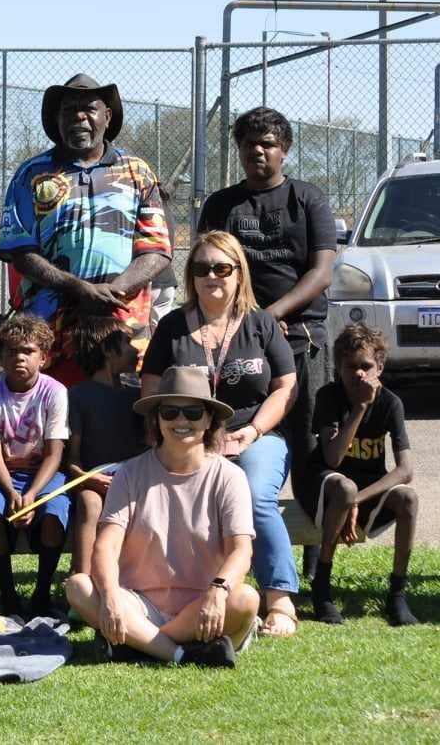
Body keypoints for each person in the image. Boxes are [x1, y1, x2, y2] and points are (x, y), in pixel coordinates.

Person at [198, 106, 336, 577]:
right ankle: (233, 558)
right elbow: (206, 266)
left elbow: (321, 272)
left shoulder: (308, 198)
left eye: (269, 143)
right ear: (238, 149)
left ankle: (319, 565)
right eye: (249, 143)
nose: (258, 151)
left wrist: (269, 316)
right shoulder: (222, 205)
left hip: (302, 339)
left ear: (285, 149)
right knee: (235, 443)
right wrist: (242, 325)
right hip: (234, 343)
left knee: (309, 445)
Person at [141, 229, 300, 637]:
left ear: (238, 273)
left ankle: (280, 600)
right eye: (201, 268)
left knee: (253, 491)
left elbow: (285, 385)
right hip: (188, 439)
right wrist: (176, 439)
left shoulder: (261, 324)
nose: (212, 275)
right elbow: (152, 387)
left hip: (254, 436)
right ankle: (173, 594)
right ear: (191, 276)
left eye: (221, 267)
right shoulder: (173, 325)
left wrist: (253, 431)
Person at [65, 366, 261, 667]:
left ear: (209, 419)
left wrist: (218, 590)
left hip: (202, 604)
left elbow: (241, 549)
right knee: (79, 587)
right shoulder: (129, 474)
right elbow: (106, 546)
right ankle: (183, 653)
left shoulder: (230, 477)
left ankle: (140, 643)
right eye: (170, 412)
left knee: (246, 598)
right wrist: (111, 596)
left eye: (193, 412)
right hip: (139, 603)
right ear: (156, 419)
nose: (181, 421)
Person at [0, 74, 171, 384]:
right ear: (56, 120)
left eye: (89, 108)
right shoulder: (31, 173)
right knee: (55, 416)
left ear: (107, 116)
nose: (79, 116)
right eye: (69, 110)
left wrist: (113, 292)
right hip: (50, 330)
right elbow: (21, 252)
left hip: (123, 329)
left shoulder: (137, 172)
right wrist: (79, 289)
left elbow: (156, 251)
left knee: (121, 414)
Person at [304, 325, 418, 626]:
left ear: (379, 366)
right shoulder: (329, 396)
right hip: (327, 486)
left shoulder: (391, 403)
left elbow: (405, 470)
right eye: (350, 366)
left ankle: (397, 594)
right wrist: (359, 408)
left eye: (366, 366)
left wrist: (359, 501)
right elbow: (333, 457)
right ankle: (322, 588)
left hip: (362, 492)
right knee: (345, 486)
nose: (358, 374)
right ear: (338, 367)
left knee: (407, 498)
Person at [0, 314, 70, 618]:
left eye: (28, 351)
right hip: (2, 477)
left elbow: (54, 455)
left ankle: (41, 593)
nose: (19, 357)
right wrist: (12, 494)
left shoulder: (54, 392)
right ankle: (9, 597)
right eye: (11, 351)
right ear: (0, 356)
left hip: (44, 475)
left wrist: (31, 496)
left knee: (54, 513)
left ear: (43, 357)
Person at [65, 317, 144, 577]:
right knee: (89, 503)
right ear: (109, 350)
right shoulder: (78, 396)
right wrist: (92, 479)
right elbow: (72, 460)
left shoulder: (139, 393)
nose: (136, 350)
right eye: (128, 343)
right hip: (95, 480)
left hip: (135, 478)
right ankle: (83, 583)